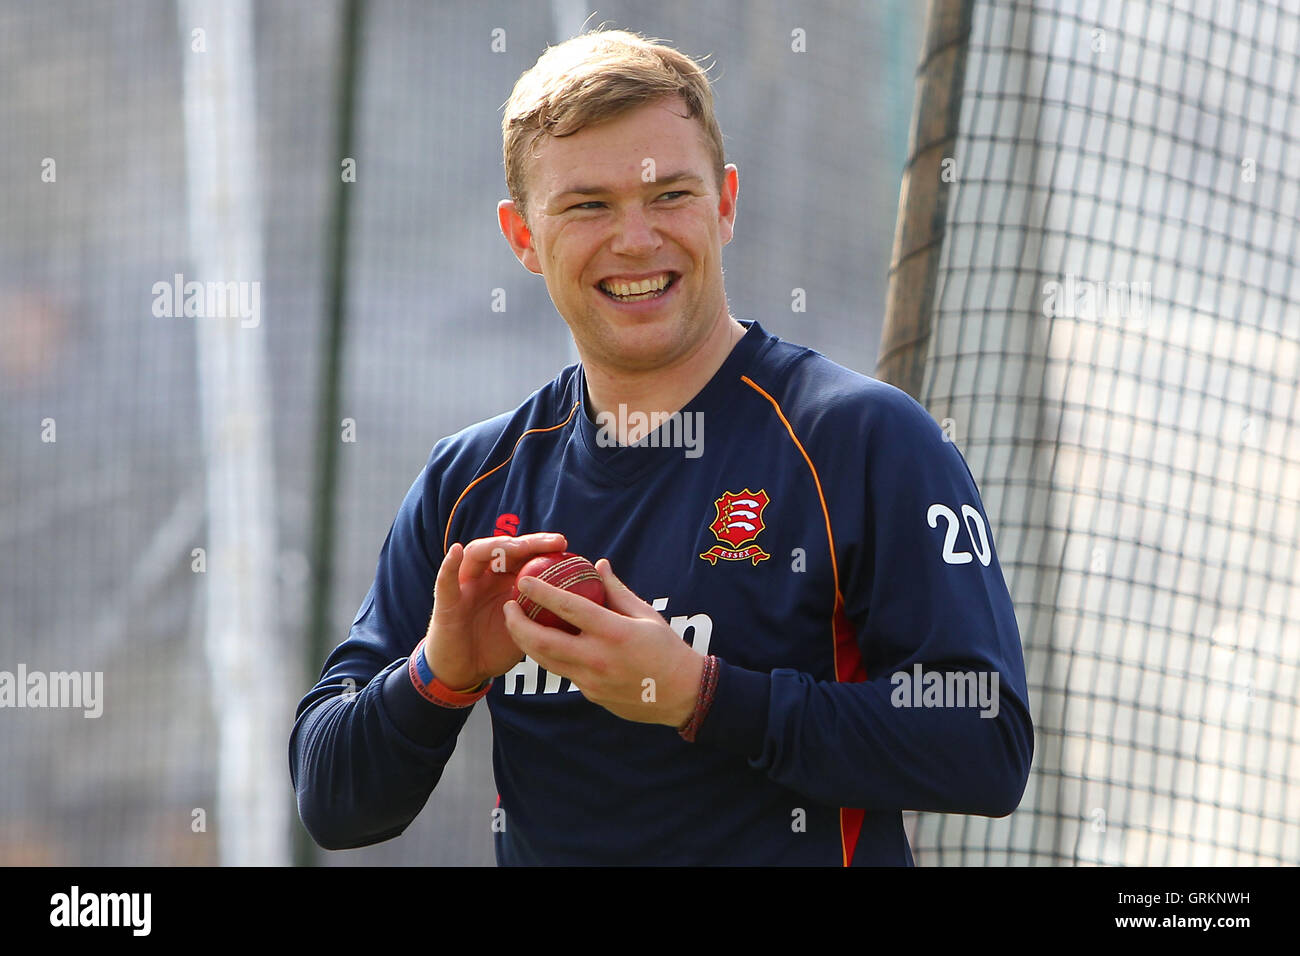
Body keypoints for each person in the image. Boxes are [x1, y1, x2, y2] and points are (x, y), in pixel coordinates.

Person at [289, 28, 1033, 865]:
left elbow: (986, 744)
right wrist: (441, 671)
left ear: (726, 203)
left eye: (670, 194)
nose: (636, 239)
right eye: (588, 205)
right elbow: (333, 800)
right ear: (523, 236)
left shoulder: (862, 439)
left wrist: (698, 694)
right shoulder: (469, 482)